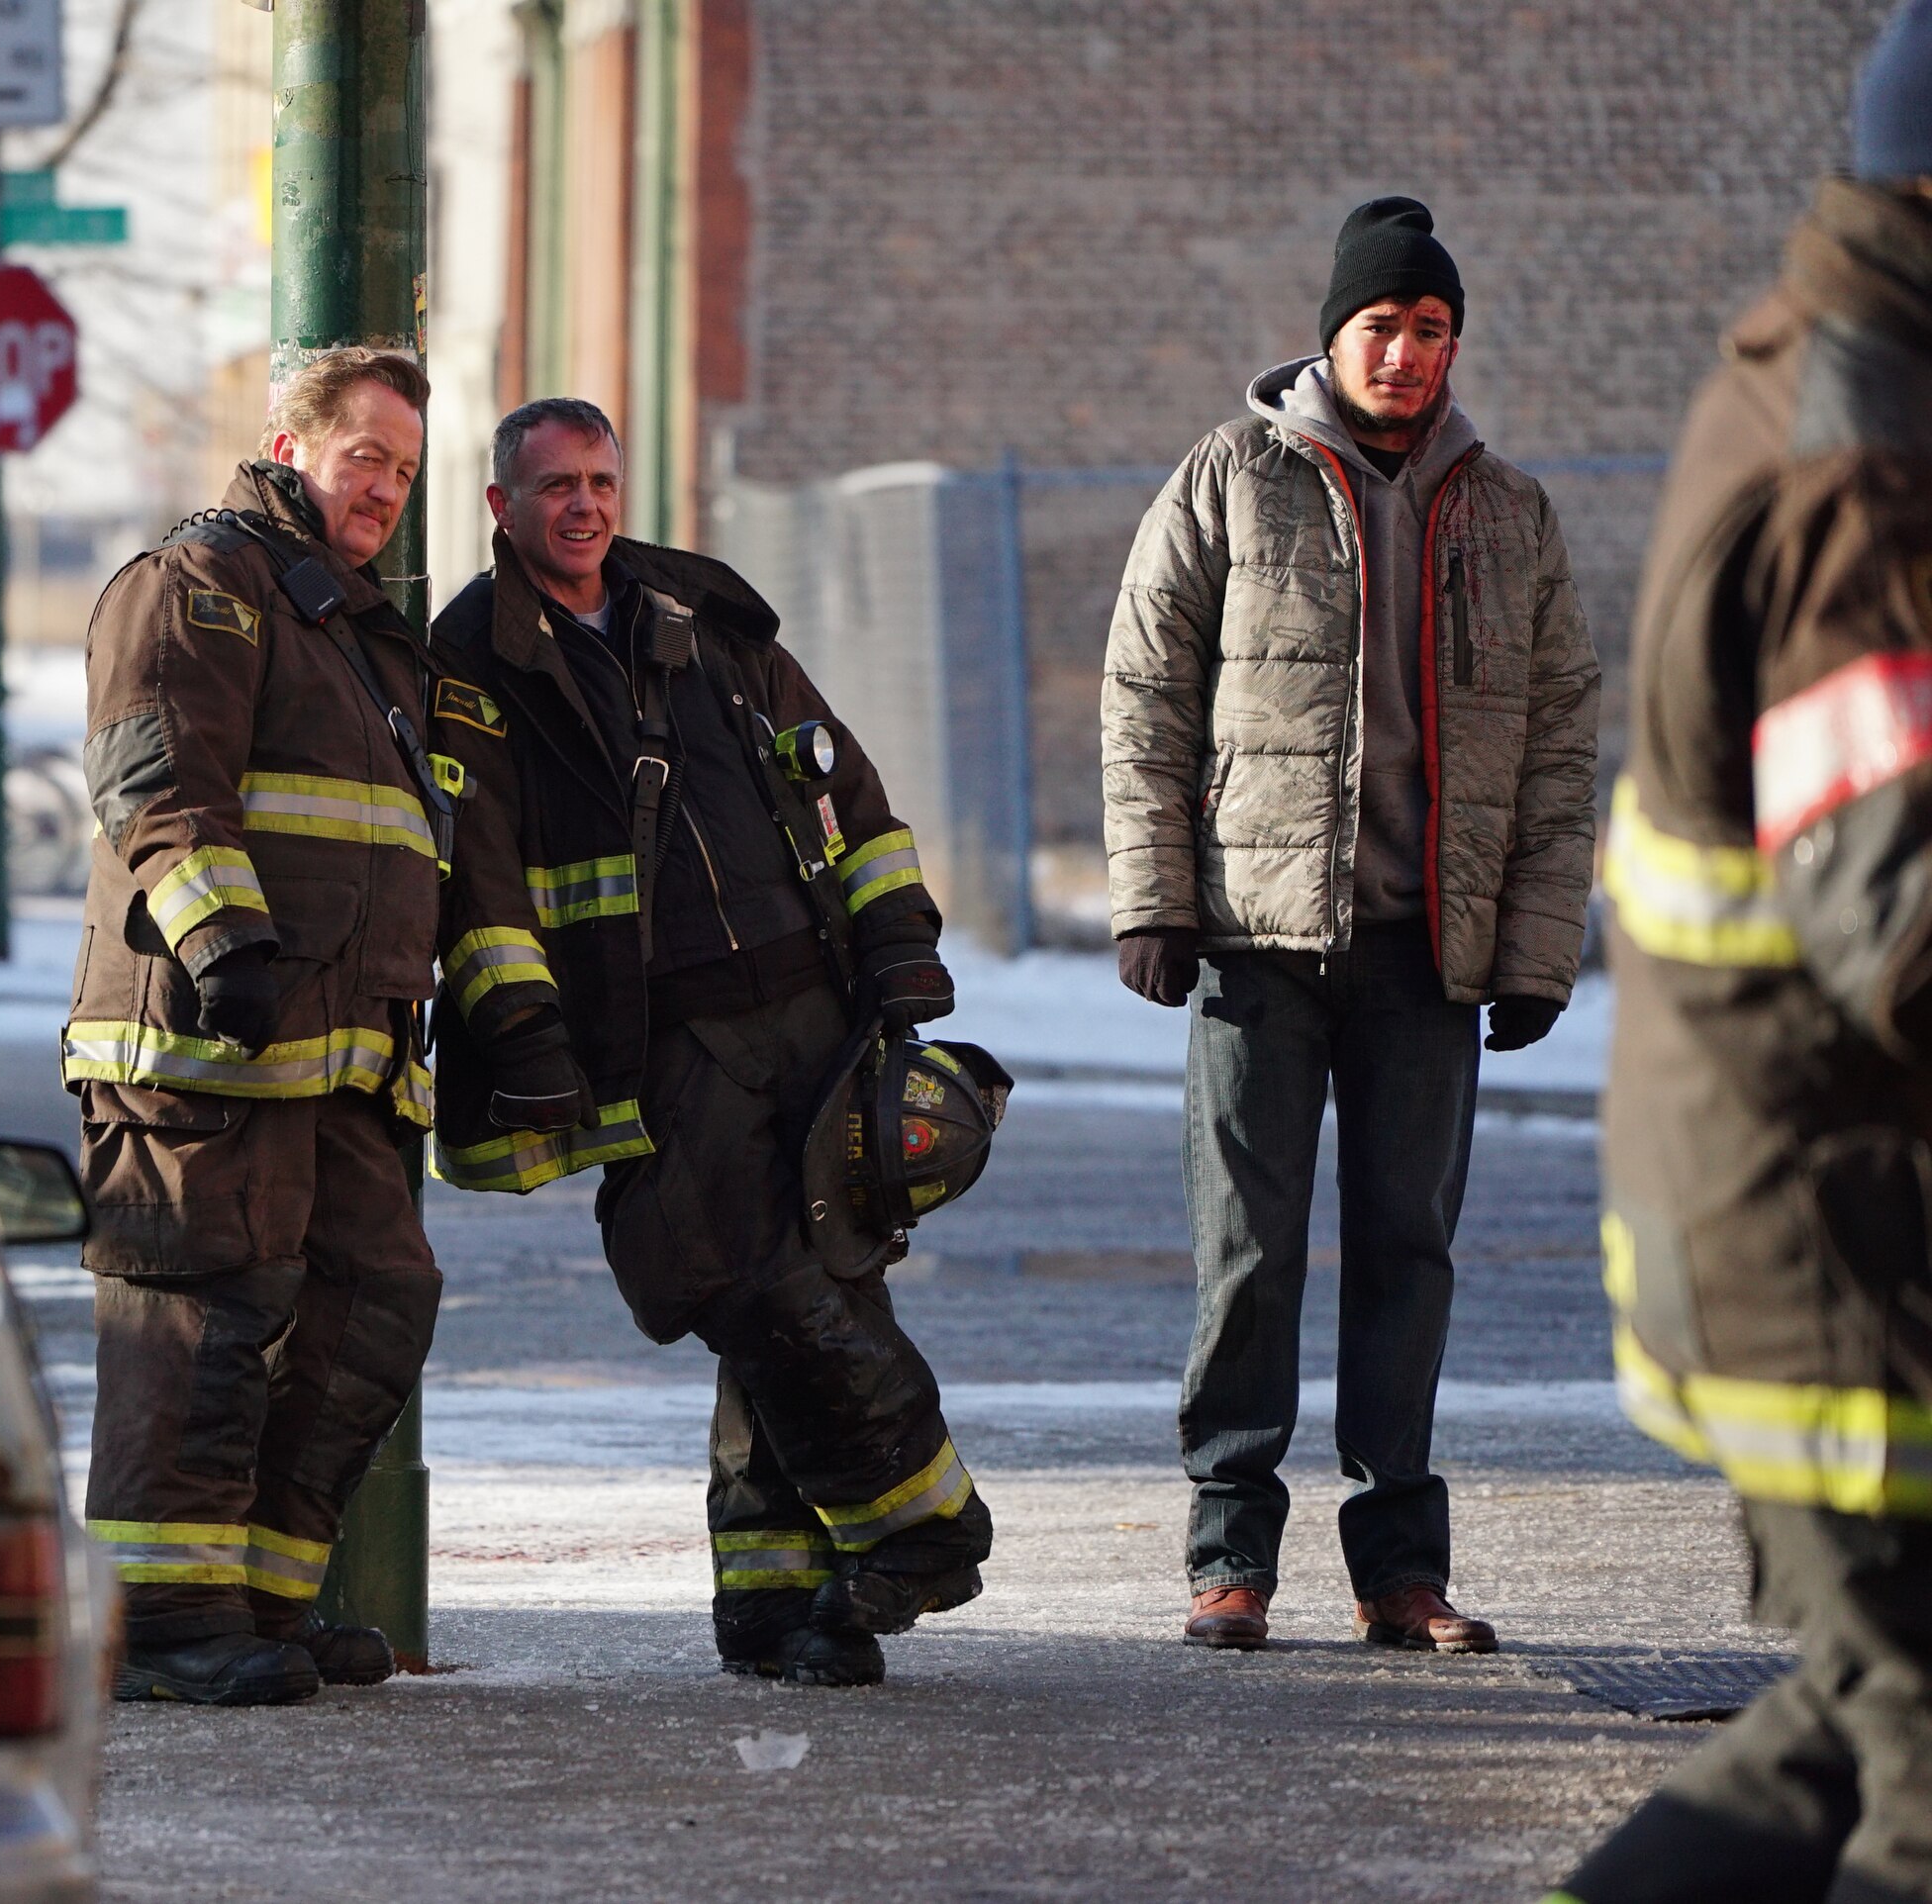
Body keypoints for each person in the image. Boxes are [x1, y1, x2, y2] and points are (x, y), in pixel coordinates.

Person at [1102, 197, 1599, 1653]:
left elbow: (1563, 745)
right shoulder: (1230, 477)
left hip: (1425, 958)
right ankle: (1228, 1555)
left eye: (1430, 329)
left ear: (1452, 346)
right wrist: (1154, 901)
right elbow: (1145, 697)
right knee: (1247, 1254)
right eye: (1381, 326)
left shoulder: (1511, 512)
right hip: (1257, 943)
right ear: (1332, 336)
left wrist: (1533, 949)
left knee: (1409, 1258)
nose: (1404, 351)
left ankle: (1400, 1568)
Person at [427, 398, 988, 1688]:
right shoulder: (474, 659)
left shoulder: (704, 619)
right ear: (501, 504)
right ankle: (919, 1529)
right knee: (756, 1287)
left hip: (812, 1007)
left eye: (601, 480)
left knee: (820, 1284)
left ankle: (778, 1604)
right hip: (658, 1037)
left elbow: (842, 786)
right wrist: (518, 1020)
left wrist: (898, 936)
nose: (583, 505)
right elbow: (485, 870)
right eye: (556, 484)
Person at [1550, 10, 1932, 1896]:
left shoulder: (1839, 371)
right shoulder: (1868, 459)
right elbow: (1906, 911)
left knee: (1847, 1729)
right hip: (1835, 1248)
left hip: (1803, 1212)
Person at [65, 347, 451, 1706]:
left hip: (334, 1065)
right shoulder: (201, 588)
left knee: (375, 1301)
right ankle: (161, 1622)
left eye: (406, 470)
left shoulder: (349, 628)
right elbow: (157, 777)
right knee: (202, 1310)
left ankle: (261, 1601)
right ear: (293, 448)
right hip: (200, 1043)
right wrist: (220, 938)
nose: (389, 491)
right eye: (367, 460)